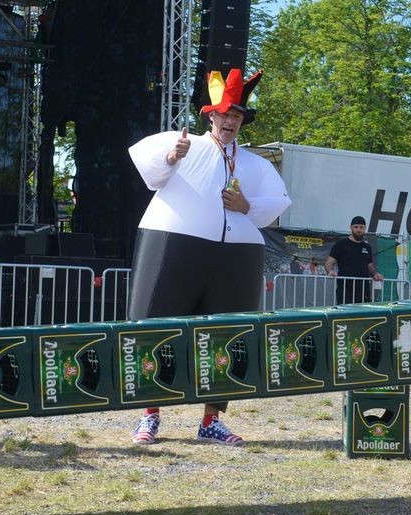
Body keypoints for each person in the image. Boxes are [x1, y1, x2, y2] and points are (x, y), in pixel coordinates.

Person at [126, 68, 291, 447]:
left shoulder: (256, 164)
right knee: (157, 326)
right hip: (175, 242)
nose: (230, 121)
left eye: (237, 116)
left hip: (236, 253)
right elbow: (148, 167)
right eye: (224, 114)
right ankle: (150, 414)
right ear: (210, 115)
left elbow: (277, 203)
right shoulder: (186, 144)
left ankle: (211, 419)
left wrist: (247, 205)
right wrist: (171, 156)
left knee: (227, 334)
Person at [326, 216, 384, 303]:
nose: (359, 230)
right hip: (345, 291)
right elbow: (328, 263)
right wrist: (330, 271)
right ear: (351, 228)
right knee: (346, 316)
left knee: (364, 315)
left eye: (361, 227)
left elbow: (369, 265)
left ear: (365, 228)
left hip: (364, 291)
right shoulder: (341, 244)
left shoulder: (367, 247)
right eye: (356, 227)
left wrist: (375, 274)